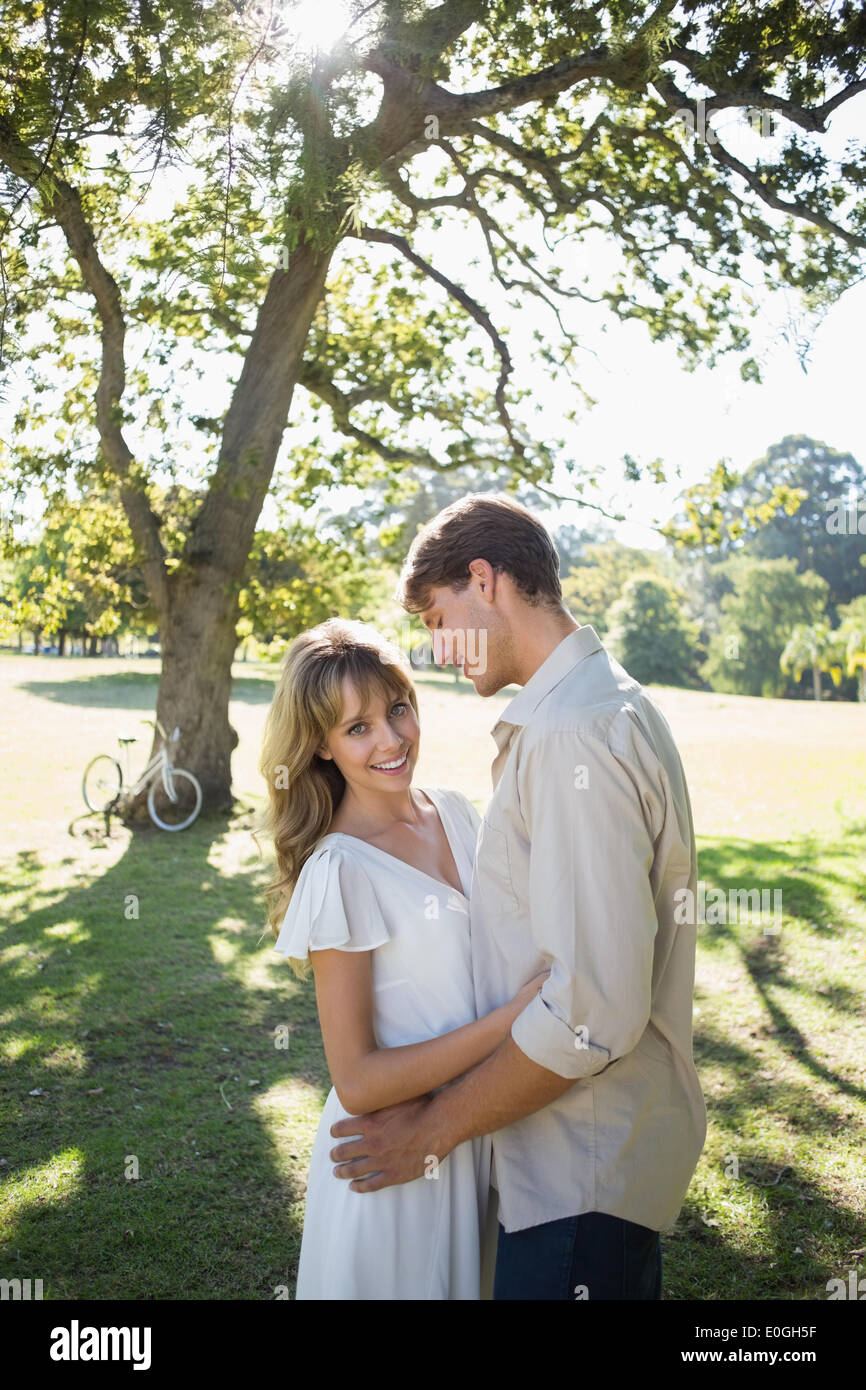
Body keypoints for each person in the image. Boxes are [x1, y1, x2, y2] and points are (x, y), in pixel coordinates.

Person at [327, 494, 708, 1301]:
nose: (434, 648)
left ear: (483, 579)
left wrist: (428, 1135)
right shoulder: (610, 704)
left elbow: (588, 1013)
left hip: (580, 1173)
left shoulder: (574, 734)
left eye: (436, 619)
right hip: (593, 1165)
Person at [257, 616, 548, 1299]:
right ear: (322, 748)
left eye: (396, 710)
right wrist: (512, 1021)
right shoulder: (339, 870)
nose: (391, 740)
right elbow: (356, 1080)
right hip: (389, 1166)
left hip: (475, 1131)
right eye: (357, 729)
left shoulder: (456, 811)